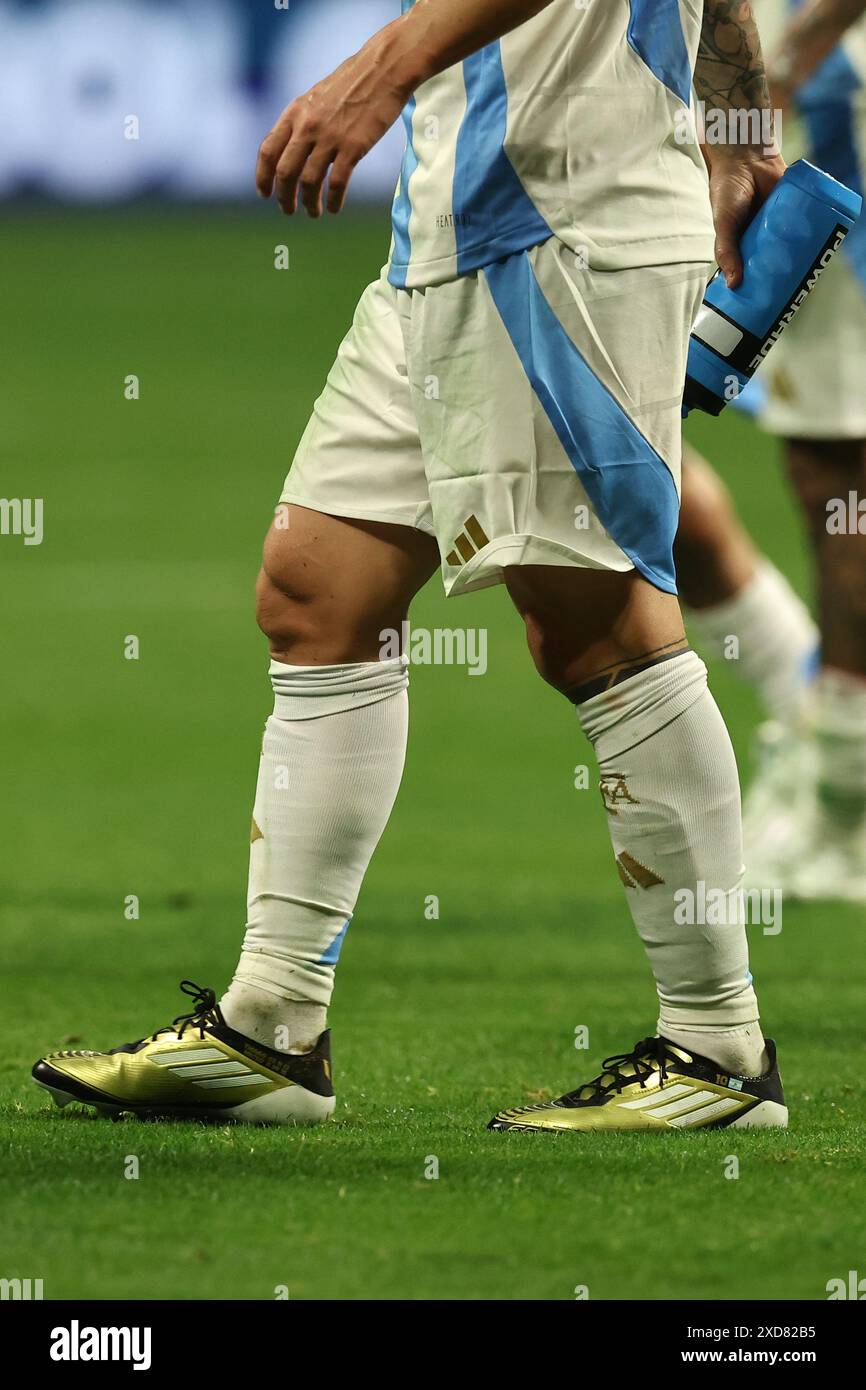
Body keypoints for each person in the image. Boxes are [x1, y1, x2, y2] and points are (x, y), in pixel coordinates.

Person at [33, 0, 789, 1132]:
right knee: (315, 586)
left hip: (566, 223)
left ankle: (716, 1048)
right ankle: (270, 1028)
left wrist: (377, 68)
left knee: (598, 623)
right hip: (454, 220)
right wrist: (736, 126)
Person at [677, 0, 866, 902]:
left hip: (833, 101)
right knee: (822, 468)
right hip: (775, 90)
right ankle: (825, 731)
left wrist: (791, 55)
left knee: (844, 471)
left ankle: (844, 803)